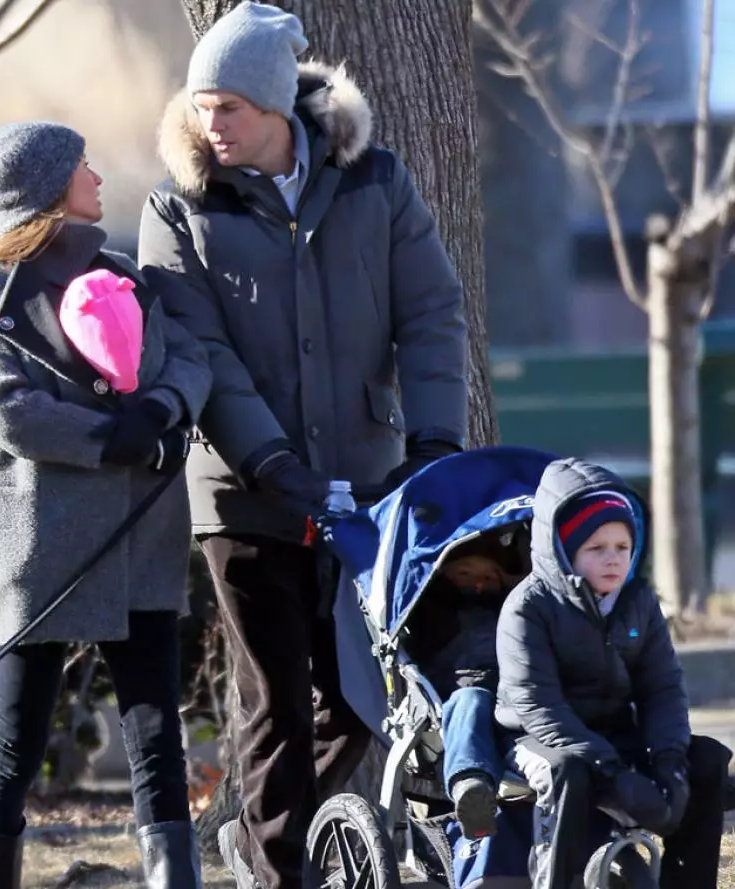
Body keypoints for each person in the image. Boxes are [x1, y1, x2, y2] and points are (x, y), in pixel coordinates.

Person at [137, 3, 469, 886]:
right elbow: (198, 349)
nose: (211, 126)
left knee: (361, 700)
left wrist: (434, 440)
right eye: (201, 107)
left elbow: (432, 313)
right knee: (274, 700)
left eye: (229, 108)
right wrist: (269, 460)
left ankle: (261, 838)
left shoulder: (375, 182)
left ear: (278, 103)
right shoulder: (178, 207)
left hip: (366, 484)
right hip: (243, 494)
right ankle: (281, 868)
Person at [0, 120, 213, 889]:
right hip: (41, 542)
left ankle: (175, 879)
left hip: (140, 535)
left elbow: (191, 358)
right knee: (19, 736)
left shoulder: (123, 271)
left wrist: (158, 411)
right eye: (82, 165)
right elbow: (10, 411)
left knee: (157, 728)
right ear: (52, 186)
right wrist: (114, 438)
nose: (96, 175)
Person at [495, 457, 732, 889]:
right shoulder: (527, 607)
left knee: (708, 759)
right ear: (563, 551)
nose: (612, 560)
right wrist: (612, 771)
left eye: (622, 548)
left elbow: (662, 688)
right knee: (566, 770)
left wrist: (670, 762)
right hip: (536, 739)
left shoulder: (638, 600)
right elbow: (536, 704)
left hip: (616, 732)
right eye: (596, 549)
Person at [405, 531, 525, 839]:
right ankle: (471, 784)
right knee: (471, 700)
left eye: (489, 576)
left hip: (516, 693)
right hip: (458, 694)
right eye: (465, 574)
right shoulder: (432, 611)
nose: (479, 584)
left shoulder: (517, 611)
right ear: (444, 575)